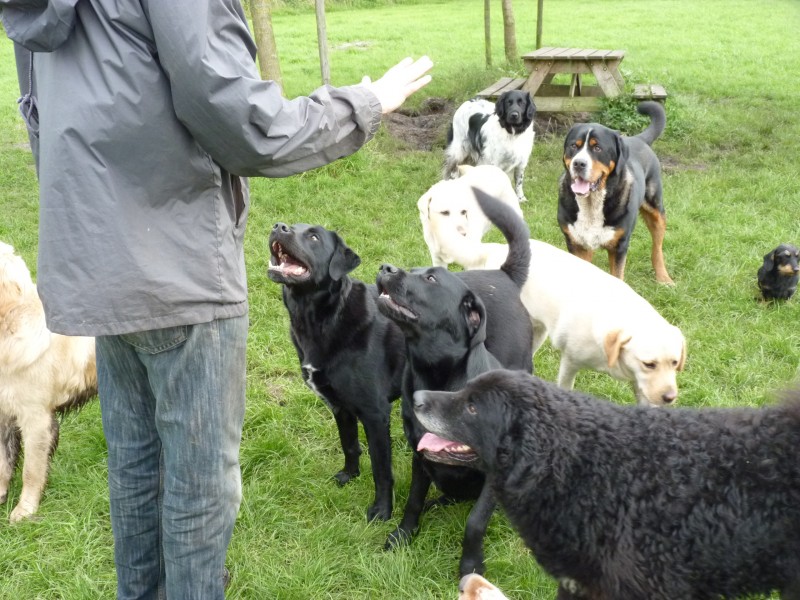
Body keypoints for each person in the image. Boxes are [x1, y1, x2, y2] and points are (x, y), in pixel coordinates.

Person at [0, 1, 432, 598]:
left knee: (136, 471)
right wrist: (364, 105)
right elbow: (240, 120)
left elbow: (41, 117)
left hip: (100, 265)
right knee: (200, 488)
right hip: (179, 269)